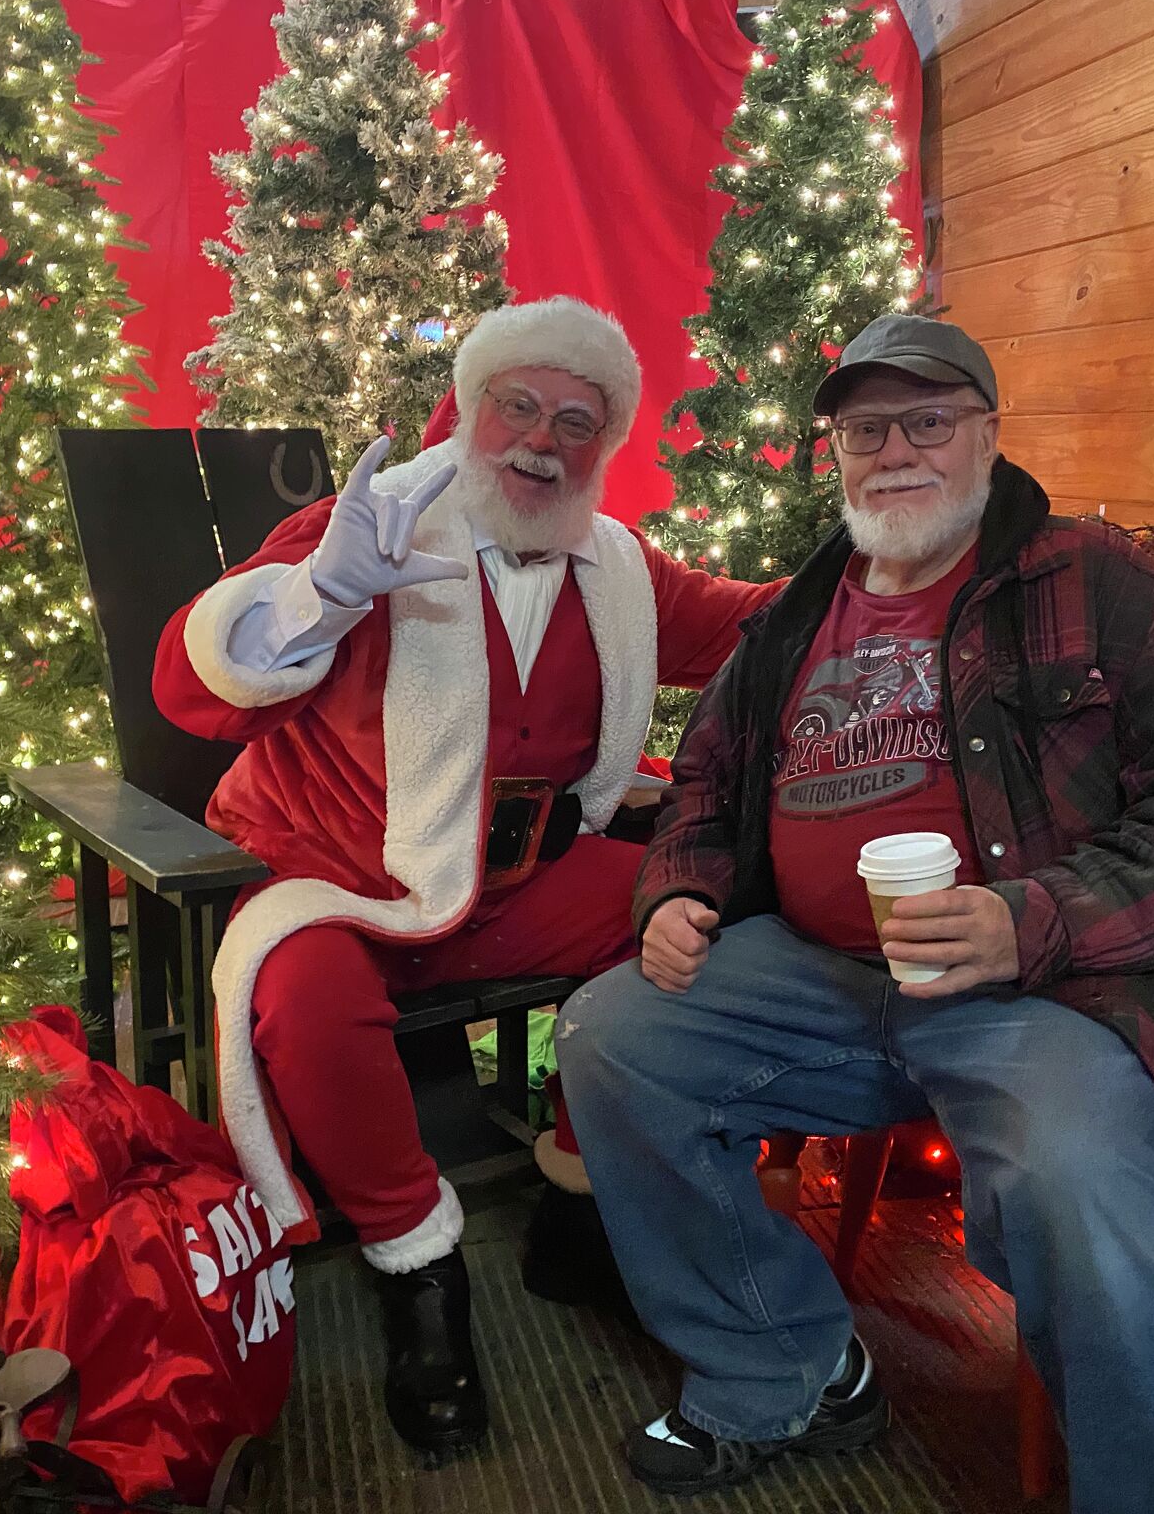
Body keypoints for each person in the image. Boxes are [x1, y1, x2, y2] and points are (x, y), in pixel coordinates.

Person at [556, 313, 1154, 1511]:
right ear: (834, 452)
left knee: (1079, 1182)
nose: (895, 449)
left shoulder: (1097, 584)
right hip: (816, 978)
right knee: (614, 1039)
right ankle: (780, 1367)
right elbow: (705, 778)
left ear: (987, 436)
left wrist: (1030, 918)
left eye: (928, 421)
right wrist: (679, 887)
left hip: (1043, 992)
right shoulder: (798, 611)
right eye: (863, 429)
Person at [152, 297, 779, 1455]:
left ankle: (581, 1201)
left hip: (517, 890)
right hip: (343, 883)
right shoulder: (372, 529)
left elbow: (759, 625)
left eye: (577, 420)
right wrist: (320, 596)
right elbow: (196, 687)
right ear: (472, 409)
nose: (543, 438)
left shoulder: (621, 569)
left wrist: (888, 567)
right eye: (520, 405)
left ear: (606, 445)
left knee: (700, 933)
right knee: (301, 998)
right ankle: (421, 1278)